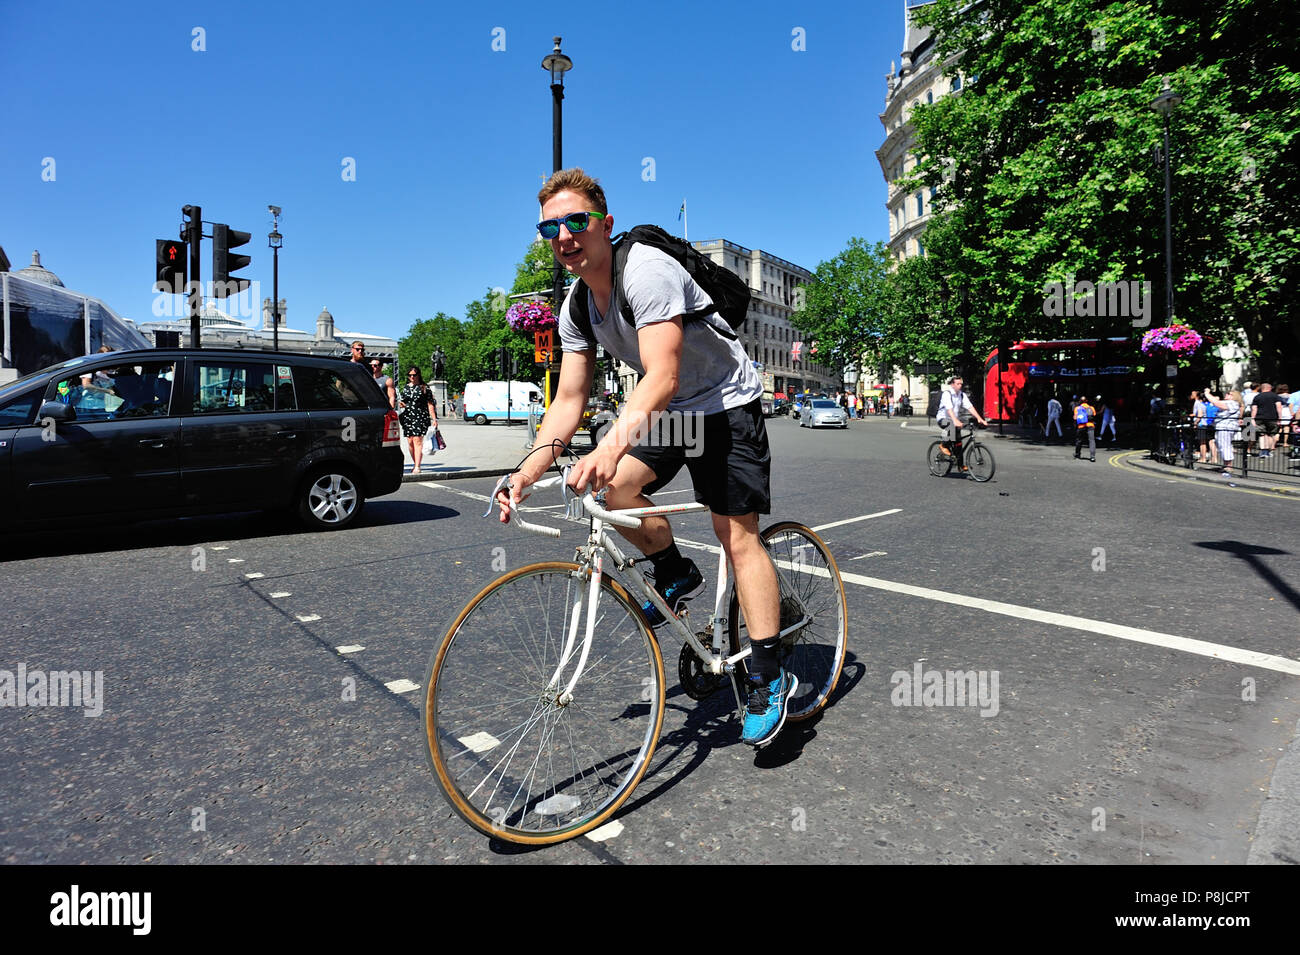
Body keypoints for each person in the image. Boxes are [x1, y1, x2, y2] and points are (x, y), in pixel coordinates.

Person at [496, 167, 791, 748]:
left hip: (724, 402)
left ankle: (767, 673)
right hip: (670, 408)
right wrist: (526, 468)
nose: (563, 236)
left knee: (736, 535)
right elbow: (571, 399)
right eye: (548, 227)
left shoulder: (647, 270)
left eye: (575, 221)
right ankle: (677, 569)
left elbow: (663, 372)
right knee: (617, 494)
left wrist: (609, 446)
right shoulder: (578, 306)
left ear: (603, 224)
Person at [936, 375, 989, 466]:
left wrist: (979, 418)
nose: (960, 385)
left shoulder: (961, 395)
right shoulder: (947, 394)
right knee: (951, 425)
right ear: (952, 384)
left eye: (961, 384)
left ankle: (960, 465)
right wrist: (955, 420)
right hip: (943, 418)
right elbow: (949, 409)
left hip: (954, 420)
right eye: (958, 383)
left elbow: (970, 407)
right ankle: (943, 445)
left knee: (958, 442)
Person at [398, 366, 439, 475]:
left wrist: (434, 418)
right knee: (410, 442)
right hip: (407, 417)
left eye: (414, 375)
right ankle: (415, 462)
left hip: (420, 417)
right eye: (410, 375)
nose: (412, 377)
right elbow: (403, 402)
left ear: (418, 375)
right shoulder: (406, 388)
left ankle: (417, 466)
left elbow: (430, 405)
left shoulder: (424, 388)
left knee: (417, 441)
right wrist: (401, 404)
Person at [1207, 388, 1241, 477]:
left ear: (1234, 396)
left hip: (1226, 427)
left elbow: (1217, 403)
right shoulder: (1229, 403)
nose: (1226, 394)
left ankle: (1229, 466)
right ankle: (1226, 464)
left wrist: (1207, 393)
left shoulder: (1233, 403)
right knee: (1222, 445)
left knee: (1225, 445)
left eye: (1229, 393)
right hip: (1221, 427)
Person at [1249, 382, 1284, 459]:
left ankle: (1262, 451)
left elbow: (1254, 409)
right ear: (1270, 388)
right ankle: (1268, 451)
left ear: (1262, 388)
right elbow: (1279, 407)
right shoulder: (1275, 396)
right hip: (1272, 417)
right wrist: (1280, 418)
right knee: (1271, 434)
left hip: (1260, 418)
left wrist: (1252, 419)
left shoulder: (1257, 397)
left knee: (1262, 435)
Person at [1073, 395, 1097, 461]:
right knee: (1092, 441)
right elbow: (1094, 415)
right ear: (1086, 401)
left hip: (1081, 426)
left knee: (1079, 440)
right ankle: (1092, 457)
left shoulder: (1077, 408)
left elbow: (1075, 418)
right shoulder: (1091, 408)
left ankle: (1077, 454)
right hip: (1090, 425)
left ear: (1080, 401)